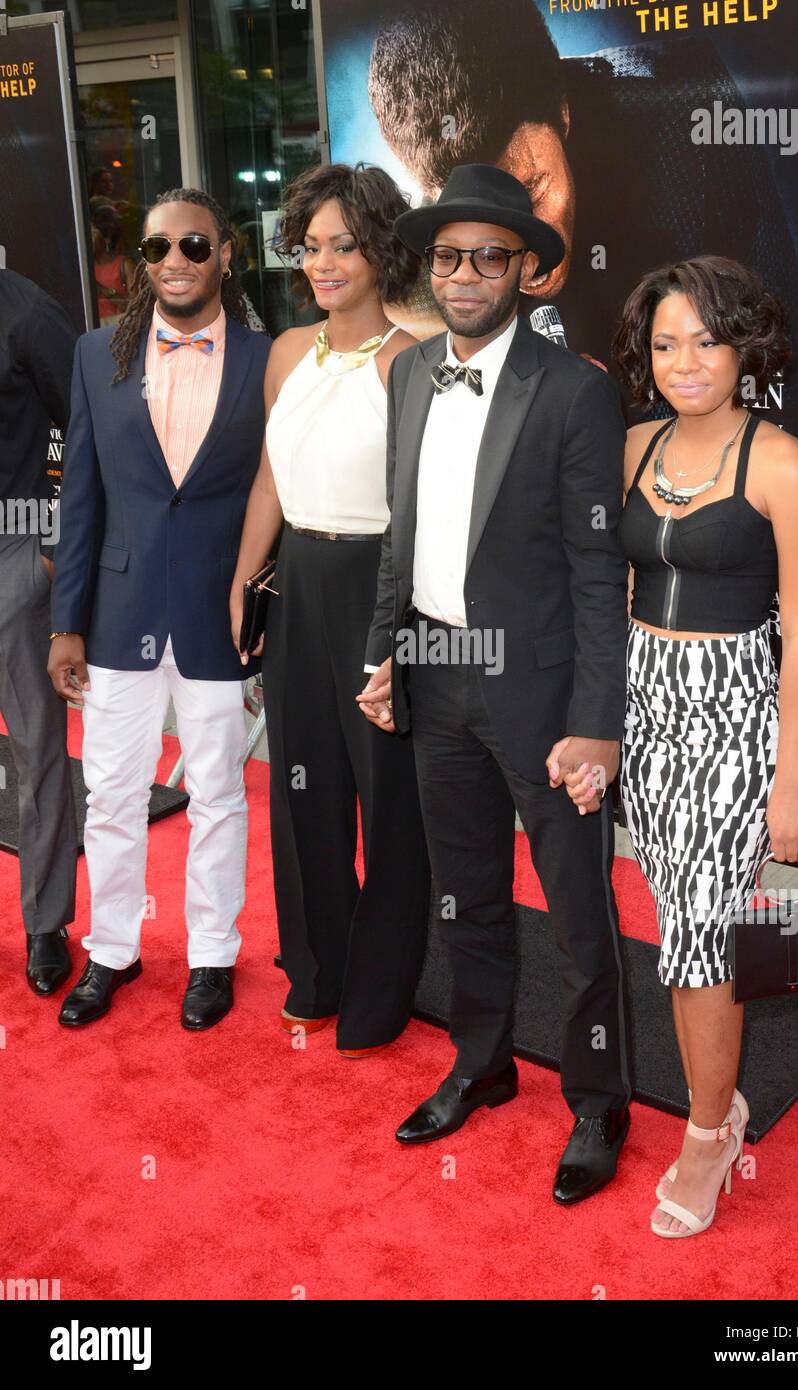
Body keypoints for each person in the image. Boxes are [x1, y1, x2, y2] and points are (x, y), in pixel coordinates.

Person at [357, 164, 632, 1204]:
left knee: (573, 908)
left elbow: (594, 573)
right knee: (462, 888)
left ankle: (598, 1095)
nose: (465, 274)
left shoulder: (573, 390)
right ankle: (481, 1058)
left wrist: (594, 725)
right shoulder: (409, 372)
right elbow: (405, 533)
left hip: (541, 689)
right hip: (435, 666)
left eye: (488, 257)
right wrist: (383, 653)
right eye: (447, 256)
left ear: (524, 270)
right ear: (428, 268)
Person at [566, 255, 798, 1237]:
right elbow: (608, 592)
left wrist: (790, 782)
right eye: (665, 343)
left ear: (742, 345)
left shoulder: (783, 465)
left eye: (705, 341)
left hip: (732, 713)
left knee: (699, 940)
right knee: (674, 922)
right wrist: (600, 725)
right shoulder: (631, 446)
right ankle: (715, 1109)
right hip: (645, 702)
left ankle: (708, 1132)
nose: (683, 362)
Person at [48, 188, 271, 1031]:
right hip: (116, 608)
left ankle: (211, 954)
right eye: (156, 248)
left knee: (217, 788)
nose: (174, 260)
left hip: (218, 611)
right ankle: (111, 949)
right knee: (109, 792)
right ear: (141, 261)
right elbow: (82, 503)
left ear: (225, 255)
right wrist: (66, 621)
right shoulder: (95, 352)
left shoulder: (265, 357)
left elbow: (269, 492)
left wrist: (259, 605)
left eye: (192, 245)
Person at [230, 162, 432, 1054]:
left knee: (389, 800)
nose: (322, 262)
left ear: (380, 248)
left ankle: (382, 993)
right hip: (299, 584)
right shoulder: (283, 352)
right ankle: (315, 970)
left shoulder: (410, 363)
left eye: (342, 245)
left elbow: (421, 506)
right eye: (310, 246)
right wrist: (242, 579)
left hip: (381, 587)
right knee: (300, 789)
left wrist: (400, 632)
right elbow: (272, 474)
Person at [365, 0, 798, 386]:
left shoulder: (683, 114)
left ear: (563, 111)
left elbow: (771, 336)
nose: (528, 254)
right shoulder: (425, 228)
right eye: (485, 218)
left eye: (533, 190)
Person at [0, 267, 79, 996]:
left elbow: (80, 426)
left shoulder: (28, 312)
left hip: (12, 546)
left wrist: (52, 543)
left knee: (36, 748)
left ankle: (46, 921)